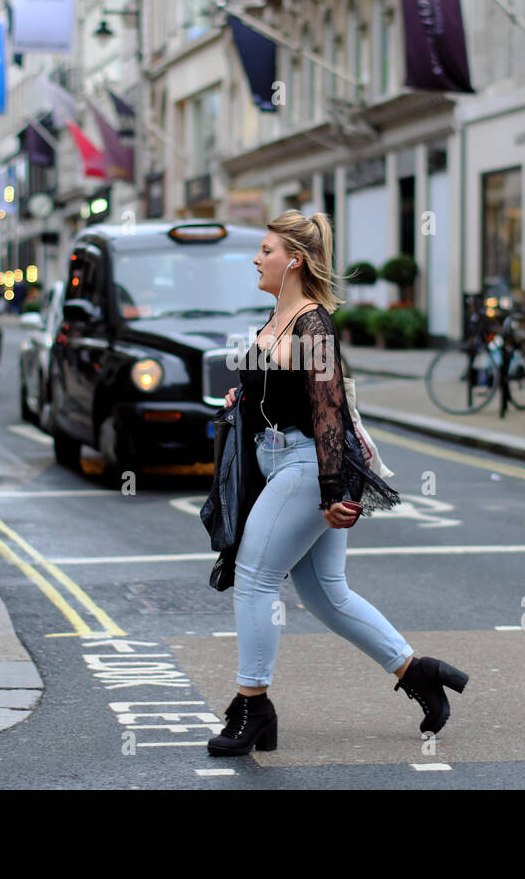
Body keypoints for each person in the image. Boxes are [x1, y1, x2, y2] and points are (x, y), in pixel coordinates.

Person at [208, 210, 468, 757]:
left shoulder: (313, 324)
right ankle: (416, 671)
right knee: (326, 592)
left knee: (255, 578)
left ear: (294, 260)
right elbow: (274, 392)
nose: (256, 259)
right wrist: (243, 399)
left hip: (306, 467)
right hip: (277, 460)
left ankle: (253, 704)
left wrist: (332, 493)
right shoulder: (275, 318)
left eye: (266, 250)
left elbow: (328, 414)